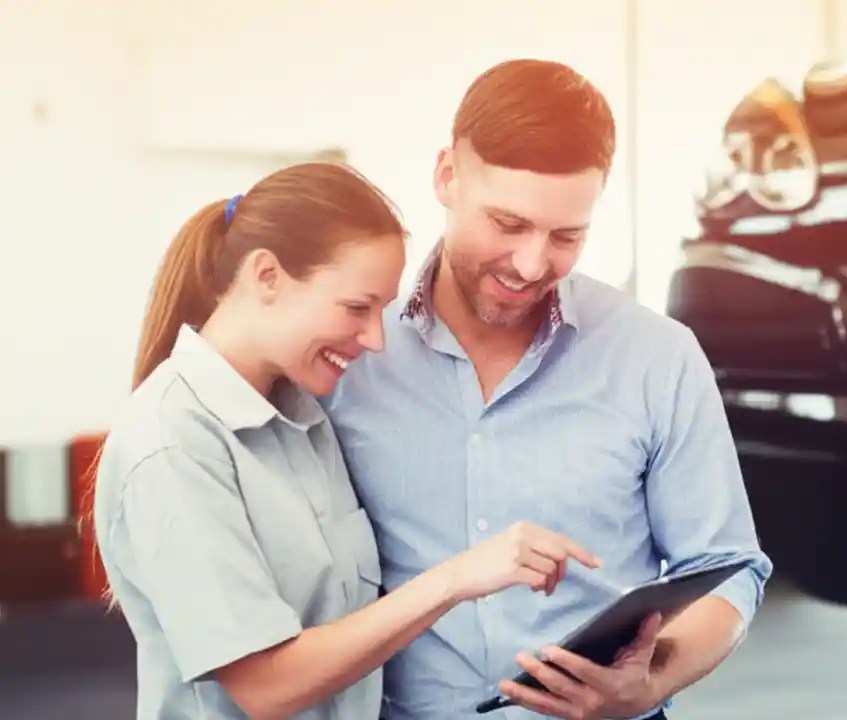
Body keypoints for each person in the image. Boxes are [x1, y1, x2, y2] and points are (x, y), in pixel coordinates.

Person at [320, 59, 774, 719]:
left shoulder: (657, 357)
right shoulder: (349, 355)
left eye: (567, 236)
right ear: (446, 176)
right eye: (507, 224)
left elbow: (728, 568)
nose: (532, 265)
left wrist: (650, 682)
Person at [88, 161, 602, 720]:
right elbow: (266, 687)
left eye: (381, 311)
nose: (376, 339)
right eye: (357, 308)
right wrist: (456, 579)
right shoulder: (172, 443)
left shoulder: (304, 419)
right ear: (267, 276)